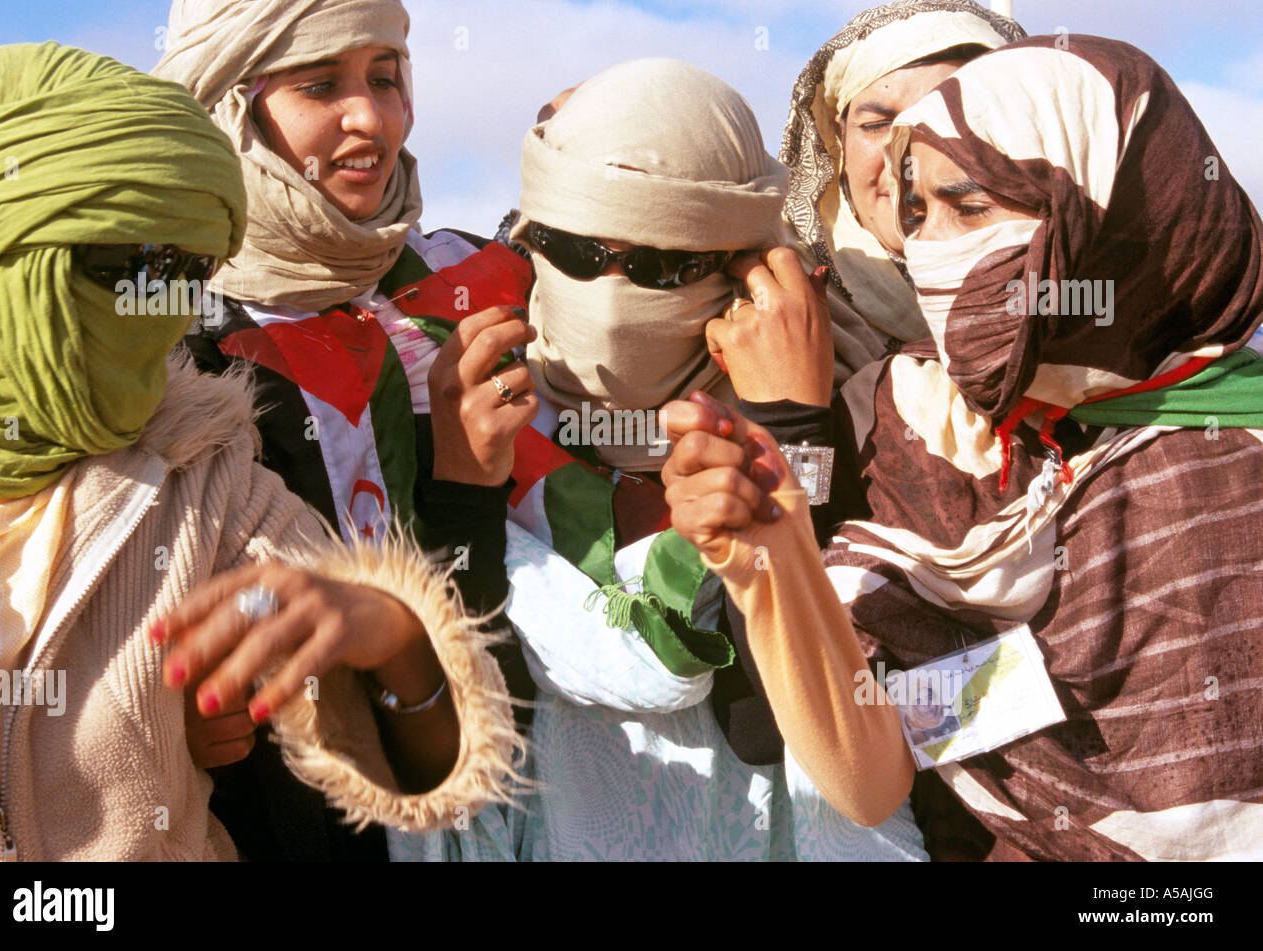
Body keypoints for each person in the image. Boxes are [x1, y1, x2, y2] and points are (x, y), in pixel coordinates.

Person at [662, 34, 1263, 861]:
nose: (934, 247)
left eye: (971, 207)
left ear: (1105, 205)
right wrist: (773, 560)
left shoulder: (1236, 448)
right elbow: (858, 762)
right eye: (917, 212)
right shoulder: (902, 418)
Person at [0, 41, 522, 860]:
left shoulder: (202, 475)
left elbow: (452, 761)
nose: (161, 312)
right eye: (139, 268)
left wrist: (395, 637)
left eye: (189, 273)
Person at [484, 57, 926, 860]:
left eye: (662, 267)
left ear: (747, 261)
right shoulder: (478, 399)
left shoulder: (858, 399)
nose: (613, 294)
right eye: (577, 252)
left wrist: (790, 431)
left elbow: (776, 720)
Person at [155, 0, 539, 861]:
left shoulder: (466, 285)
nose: (370, 117)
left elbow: (512, 692)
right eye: (321, 84)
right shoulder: (160, 343)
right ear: (228, 106)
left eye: (386, 77)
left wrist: (465, 489)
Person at [780, 0, 1024, 384]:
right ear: (838, 141)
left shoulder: (1067, 297)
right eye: (878, 125)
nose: (908, 157)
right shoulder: (784, 298)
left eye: (949, 118)